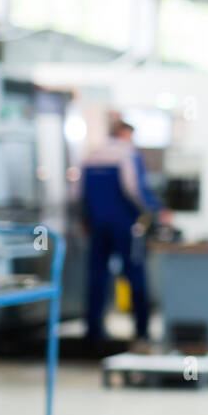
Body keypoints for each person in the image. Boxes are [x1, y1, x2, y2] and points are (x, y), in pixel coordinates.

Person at [81, 117, 166, 350]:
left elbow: (75, 193)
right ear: (125, 133)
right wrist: (155, 211)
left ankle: (93, 330)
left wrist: (84, 218)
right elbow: (134, 189)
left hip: (97, 225)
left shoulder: (90, 155)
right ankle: (141, 331)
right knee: (135, 274)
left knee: (97, 276)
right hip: (125, 225)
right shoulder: (127, 154)